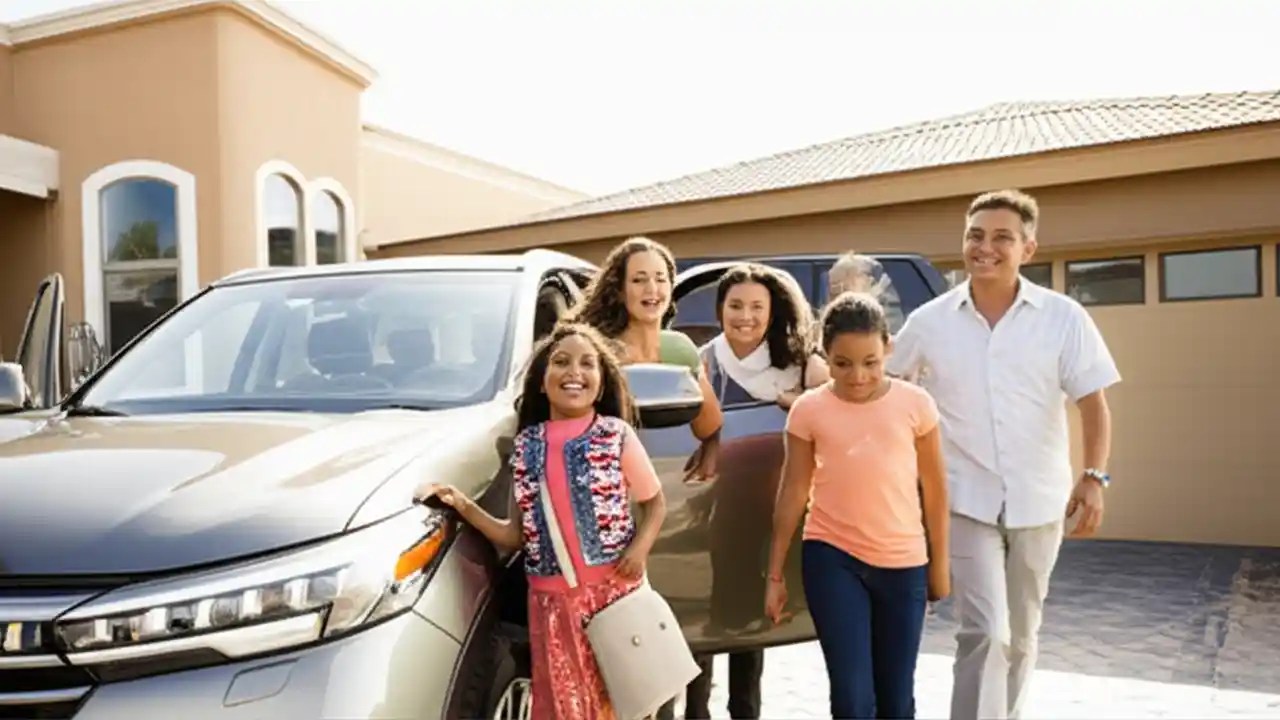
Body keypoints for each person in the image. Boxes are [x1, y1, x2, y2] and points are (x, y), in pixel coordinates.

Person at [886, 189, 1121, 720]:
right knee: (985, 633)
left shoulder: (1063, 317)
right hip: (963, 499)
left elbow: (1094, 402)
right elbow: (883, 390)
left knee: (1021, 636)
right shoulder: (929, 321)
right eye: (975, 235)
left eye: (1001, 238)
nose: (985, 247)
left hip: (1041, 501)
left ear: (1028, 248)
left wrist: (1094, 477)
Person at [417, 323, 667, 720]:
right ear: (541, 382)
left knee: (620, 705)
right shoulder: (527, 448)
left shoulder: (615, 436)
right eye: (561, 362)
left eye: (588, 364)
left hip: (613, 600)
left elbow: (655, 504)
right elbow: (515, 535)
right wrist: (462, 504)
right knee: (566, 709)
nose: (574, 372)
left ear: (600, 386)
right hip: (552, 607)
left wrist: (639, 549)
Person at [764, 290, 950, 720]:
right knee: (851, 700)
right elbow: (793, 491)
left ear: (888, 348)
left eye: (870, 362)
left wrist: (939, 568)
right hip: (833, 559)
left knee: (896, 701)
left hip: (903, 564)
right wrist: (774, 575)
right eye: (842, 364)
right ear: (825, 356)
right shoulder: (809, 411)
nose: (858, 376)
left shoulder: (916, 405)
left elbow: (936, 490)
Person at [675, 264, 829, 719]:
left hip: (783, 508)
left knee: (753, 622)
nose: (745, 316)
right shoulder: (701, 361)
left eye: (757, 307)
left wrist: (797, 401)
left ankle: (746, 711)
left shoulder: (797, 361)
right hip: (721, 503)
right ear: (720, 309)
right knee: (712, 608)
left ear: (772, 310)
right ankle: (695, 711)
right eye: (736, 305)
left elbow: (835, 404)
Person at [566, 235, 723, 482]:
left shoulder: (679, 349)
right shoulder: (593, 350)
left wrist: (710, 450)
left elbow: (709, 427)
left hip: (664, 482)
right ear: (619, 290)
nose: (652, 289)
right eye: (639, 280)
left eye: (660, 279)